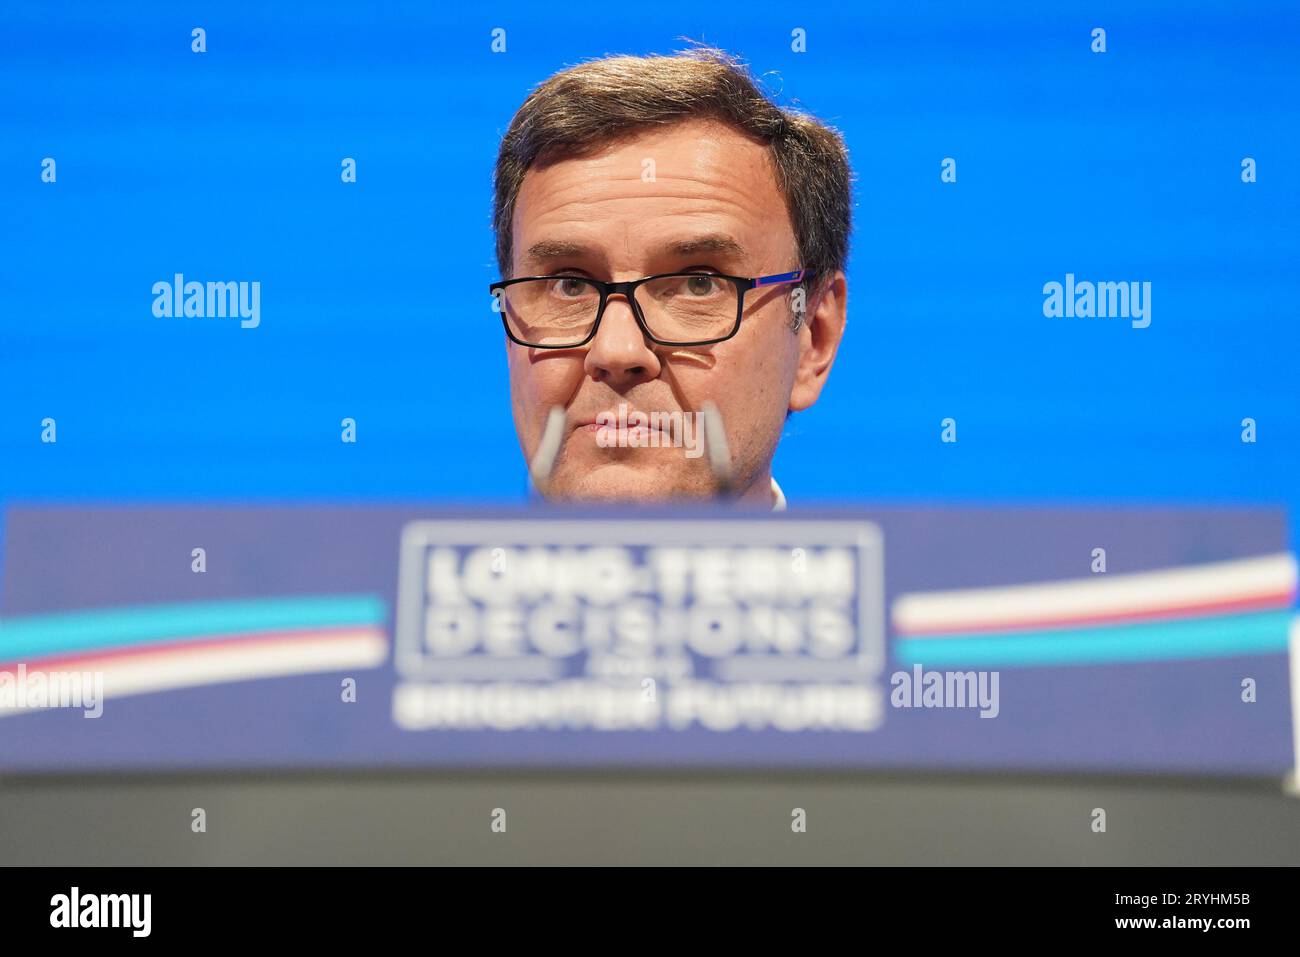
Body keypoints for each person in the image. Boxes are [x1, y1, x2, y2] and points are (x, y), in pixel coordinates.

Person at [490, 47, 851, 509]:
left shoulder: (925, 580)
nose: (616, 351)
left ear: (813, 339)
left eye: (699, 283)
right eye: (570, 285)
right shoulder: (389, 576)